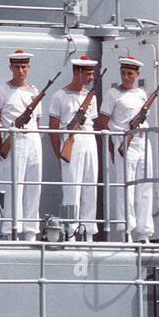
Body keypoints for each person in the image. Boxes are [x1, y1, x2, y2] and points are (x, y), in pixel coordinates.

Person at [98, 56, 154, 242]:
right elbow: (103, 122)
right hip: (124, 141)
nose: (126, 76)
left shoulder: (141, 94)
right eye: (123, 73)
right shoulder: (113, 94)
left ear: (137, 75)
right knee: (126, 187)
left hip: (143, 141)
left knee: (145, 187)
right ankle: (126, 230)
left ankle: (144, 231)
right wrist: (114, 147)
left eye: (130, 73)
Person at [0, 49, 44, 241]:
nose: (20, 71)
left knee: (33, 184)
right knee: (15, 186)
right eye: (17, 67)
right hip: (15, 140)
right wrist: (2, 148)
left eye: (24, 67)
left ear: (28, 68)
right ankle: (10, 229)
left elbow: (36, 121)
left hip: (33, 140)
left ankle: (30, 230)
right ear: (11, 67)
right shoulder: (2, 90)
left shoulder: (34, 91)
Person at [47, 56, 100, 240]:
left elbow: (92, 120)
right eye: (88, 74)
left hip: (89, 140)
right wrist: (58, 154)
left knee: (90, 186)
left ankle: (89, 232)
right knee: (71, 189)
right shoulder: (60, 96)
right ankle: (70, 230)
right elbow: (53, 129)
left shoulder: (90, 96)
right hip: (71, 142)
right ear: (77, 72)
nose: (91, 77)